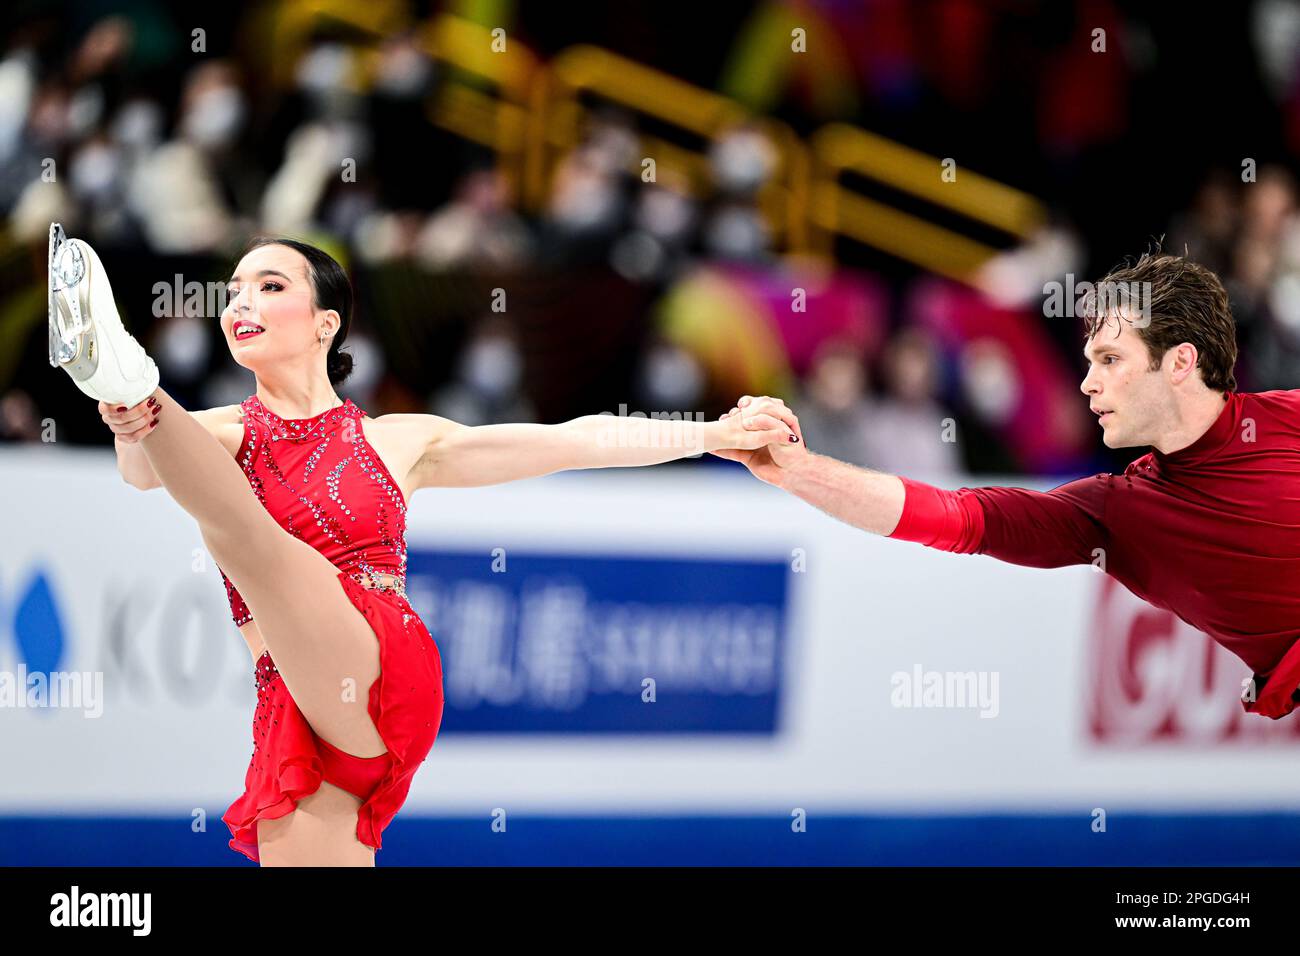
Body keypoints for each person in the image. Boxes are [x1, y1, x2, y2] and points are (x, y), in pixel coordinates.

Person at [48, 225, 797, 866]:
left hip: (382, 666)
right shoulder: (217, 431)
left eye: (269, 286)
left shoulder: (400, 440)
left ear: (325, 322)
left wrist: (710, 435)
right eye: (234, 290)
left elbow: (572, 441)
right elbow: (143, 468)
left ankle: (122, 373)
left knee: (248, 534)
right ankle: (120, 383)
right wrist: (126, 425)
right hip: (294, 709)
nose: (240, 302)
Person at [716, 252, 1300, 721]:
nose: (1087, 384)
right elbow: (949, 516)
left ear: (1179, 362)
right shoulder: (1115, 515)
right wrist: (797, 469)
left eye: (1110, 359)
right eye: (1089, 361)